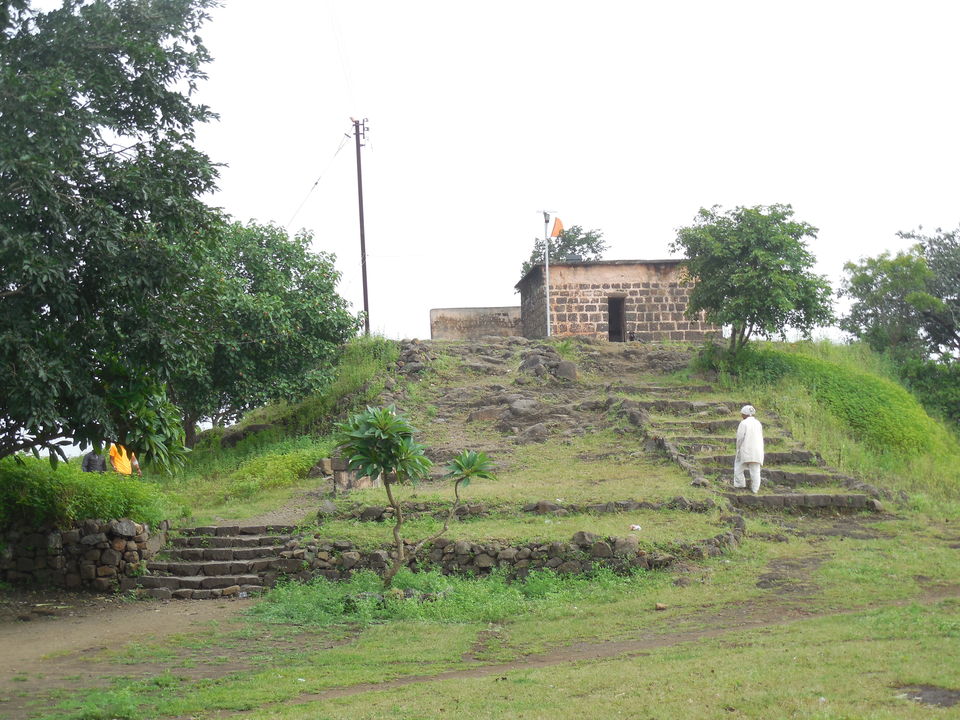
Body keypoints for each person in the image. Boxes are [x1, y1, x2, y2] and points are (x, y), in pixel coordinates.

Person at [733, 405, 764, 494]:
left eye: (742, 414)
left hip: (745, 450)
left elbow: (740, 438)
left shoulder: (743, 423)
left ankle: (740, 485)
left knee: (738, 468)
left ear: (745, 414)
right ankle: (755, 489)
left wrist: (738, 448)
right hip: (757, 451)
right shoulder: (758, 423)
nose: (741, 416)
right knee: (755, 471)